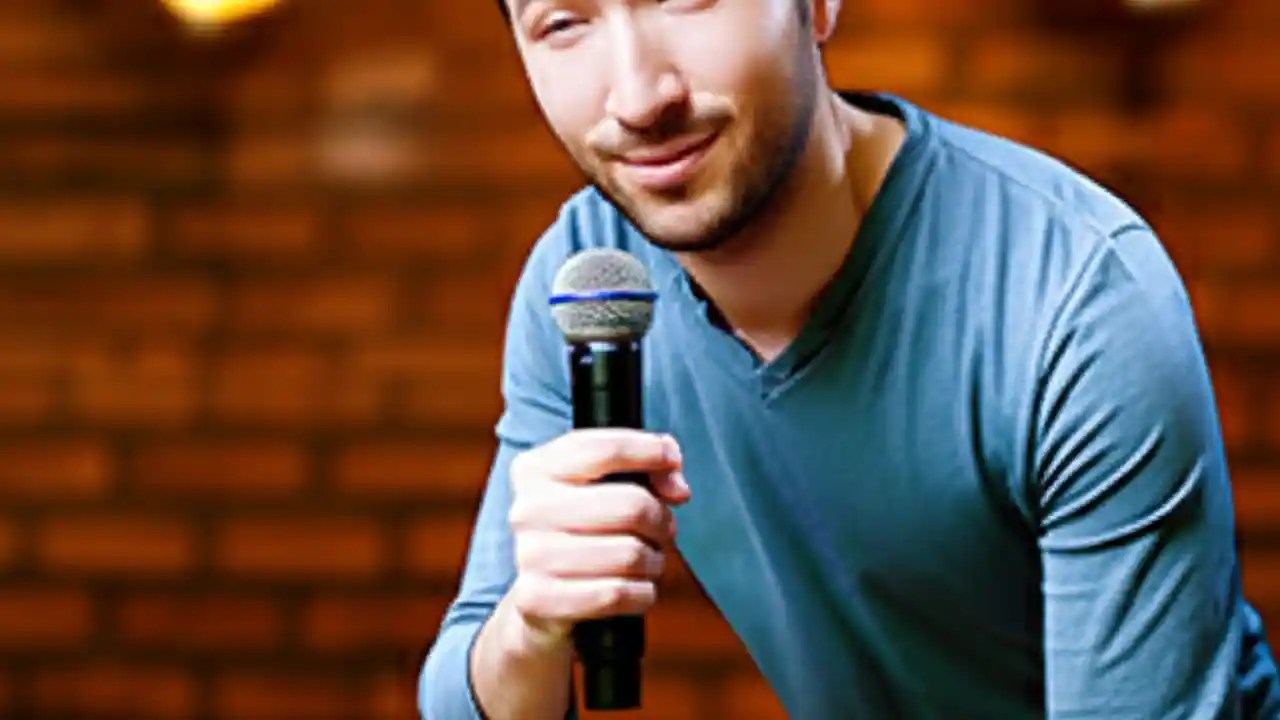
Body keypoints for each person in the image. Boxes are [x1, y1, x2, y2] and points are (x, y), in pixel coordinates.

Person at [419, 0, 1280, 717]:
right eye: (564, 23)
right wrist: (531, 625)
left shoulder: (1074, 297)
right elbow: (459, 684)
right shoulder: (591, 292)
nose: (640, 96)